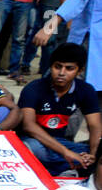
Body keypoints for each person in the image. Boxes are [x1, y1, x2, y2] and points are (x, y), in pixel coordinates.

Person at [16, 42, 100, 176]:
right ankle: (67, 168)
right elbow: (28, 126)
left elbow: (95, 125)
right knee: (30, 150)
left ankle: (59, 168)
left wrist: (94, 155)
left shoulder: (86, 90)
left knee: (96, 152)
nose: (61, 73)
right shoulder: (34, 88)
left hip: (62, 143)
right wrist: (66, 153)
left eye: (69, 68)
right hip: (34, 142)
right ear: (51, 66)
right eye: (57, 67)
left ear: (80, 70)